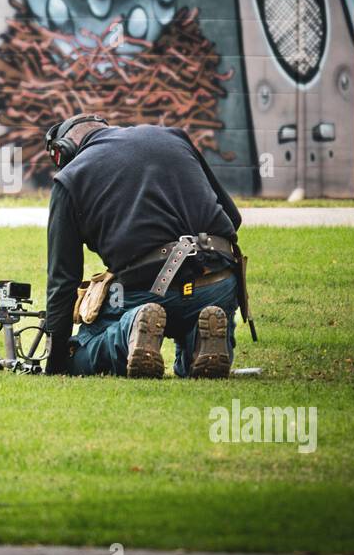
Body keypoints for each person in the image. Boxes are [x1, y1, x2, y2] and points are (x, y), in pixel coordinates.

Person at [42, 114, 249, 378]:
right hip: (216, 282)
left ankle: (131, 327)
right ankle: (201, 339)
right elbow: (233, 218)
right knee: (192, 357)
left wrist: (57, 359)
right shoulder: (174, 136)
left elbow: (63, 280)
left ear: (64, 150)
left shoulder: (69, 178)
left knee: (83, 349)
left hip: (148, 290)